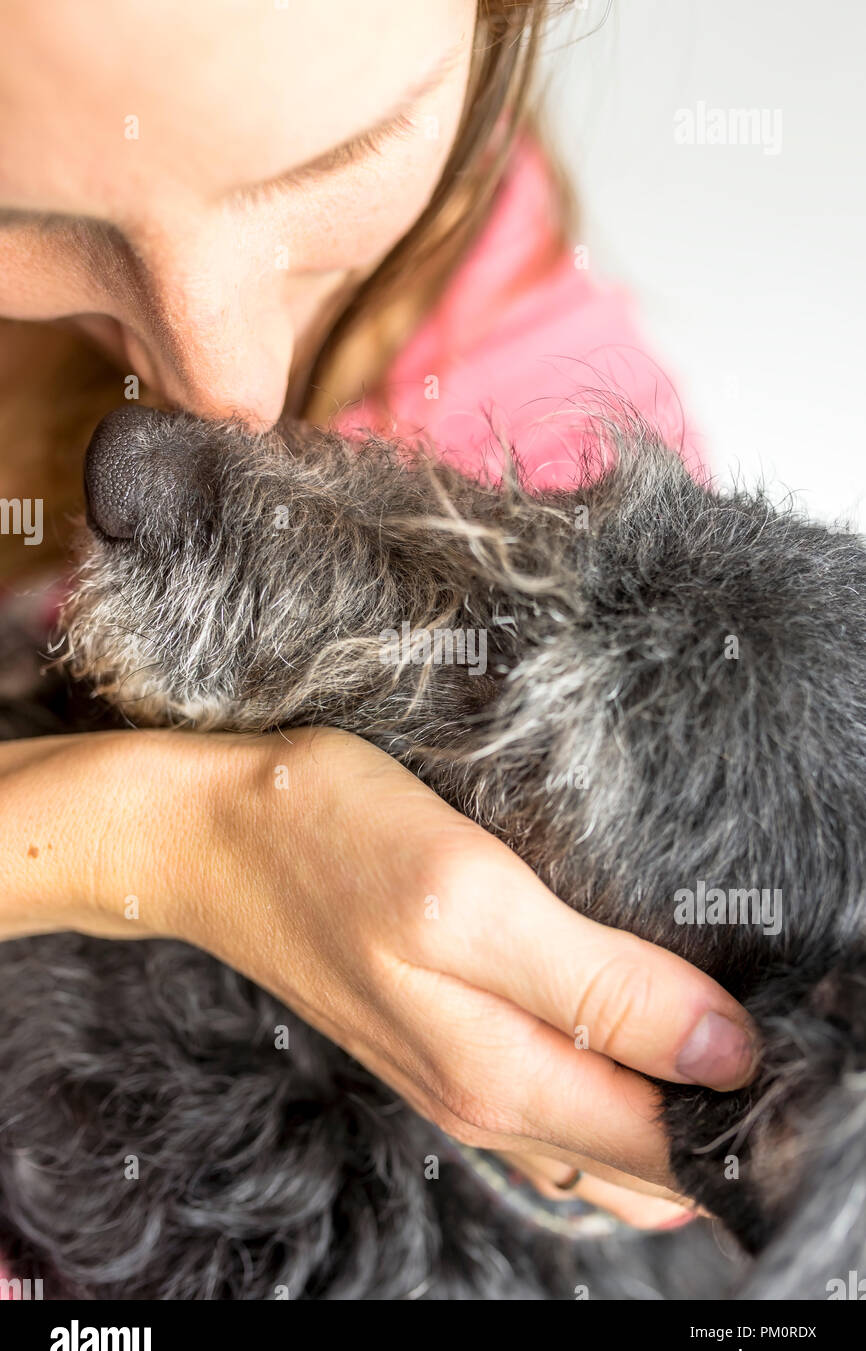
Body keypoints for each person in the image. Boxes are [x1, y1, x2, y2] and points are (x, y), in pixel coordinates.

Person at [0, 0, 754, 1238]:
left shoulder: (549, 478)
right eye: (21, 217)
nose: (224, 389)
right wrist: (166, 840)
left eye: (335, 159)